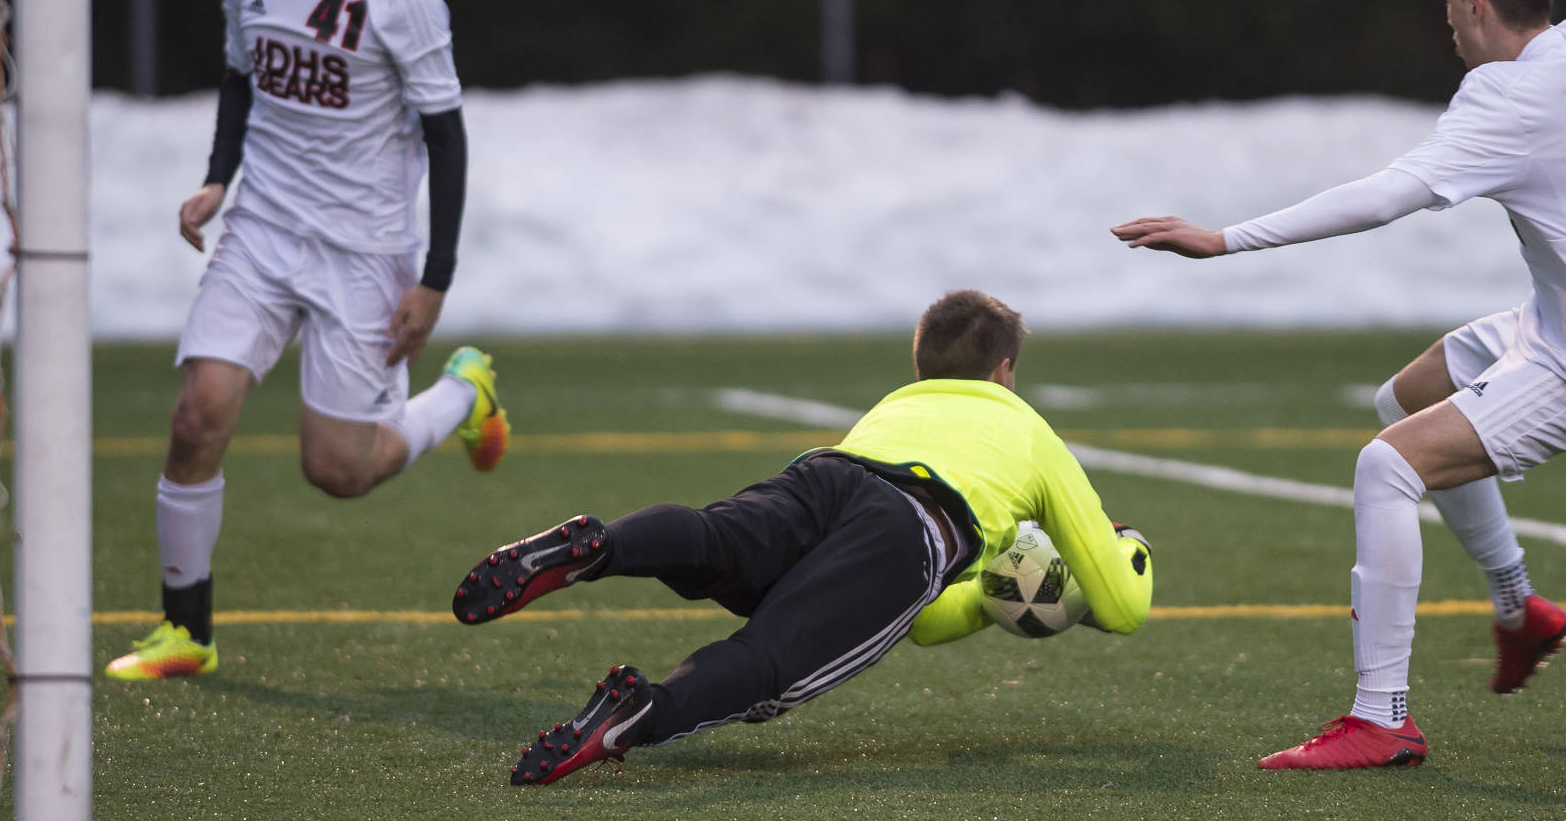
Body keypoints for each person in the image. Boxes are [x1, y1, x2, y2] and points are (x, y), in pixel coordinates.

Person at [1113, 0, 1566, 770]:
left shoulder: (1503, 96)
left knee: (1385, 465)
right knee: (1409, 396)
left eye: (1448, 4)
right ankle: (1519, 608)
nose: (1449, 22)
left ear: (1475, 6)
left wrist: (1226, 238)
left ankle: (1382, 717)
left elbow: (1385, 196)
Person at [105, 0, 508, 681]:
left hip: (364, 251)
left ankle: (464, 391)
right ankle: (185, 633)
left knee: (340, 471)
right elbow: (243, 76)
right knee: (199, 411)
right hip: (262, 230)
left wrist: (433, 280)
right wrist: (218, 177)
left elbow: (447, 137)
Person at [451, 289, 1154, 786]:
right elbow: (1122, 608)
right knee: (768, 664)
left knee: (713, 539)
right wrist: (1125, 550)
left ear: (920, 366)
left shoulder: (892, 409)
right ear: (1005, 373)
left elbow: (927, 623)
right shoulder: (1030, 431)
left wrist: (980, 600)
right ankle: (638, 714)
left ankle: (601, 544)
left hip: (829, 475)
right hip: (913, 532)